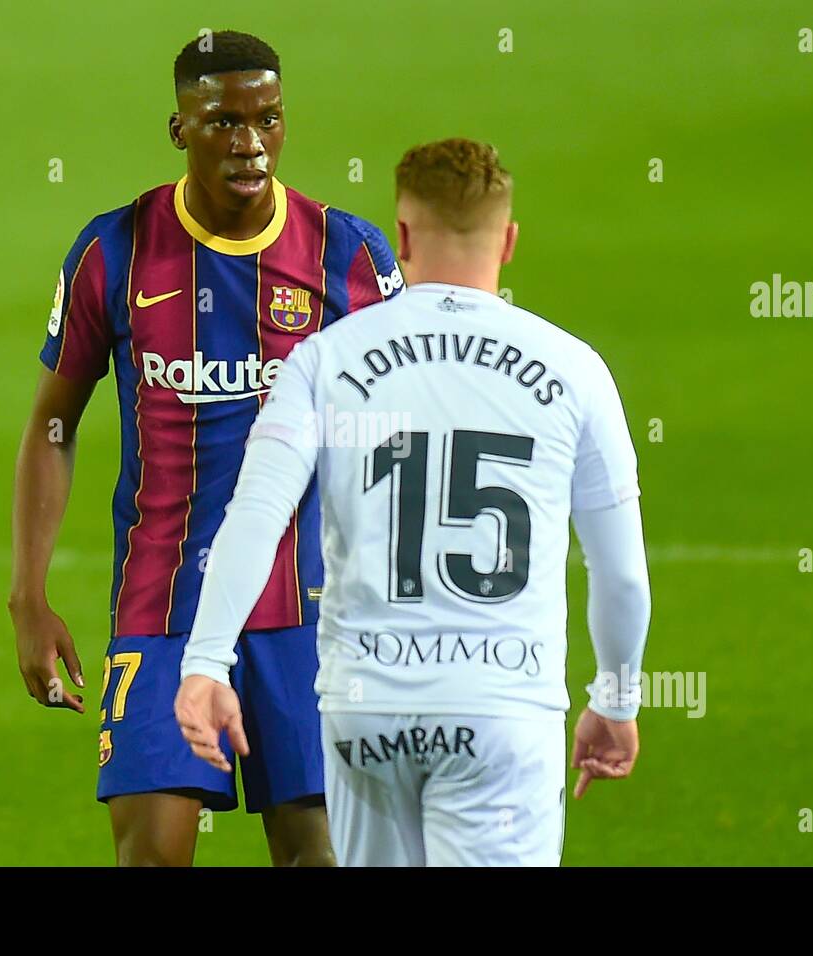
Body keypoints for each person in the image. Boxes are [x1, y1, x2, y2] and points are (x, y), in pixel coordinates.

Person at [175, 138, 651, 866]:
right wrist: (615, 701)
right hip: (500, 707)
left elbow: (256, 514)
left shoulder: (324, 358)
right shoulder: (574, 369)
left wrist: (205, 663)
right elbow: (620, 576)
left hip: (366, 711)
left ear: (401, 234)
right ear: (510, 241)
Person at [9, 30, 403, 867]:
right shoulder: (114, 251)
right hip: (161, 607)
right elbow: (54, 424)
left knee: (321, 858)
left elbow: (403, 432)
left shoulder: (351, 255)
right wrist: (28, 596)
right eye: (224, 122)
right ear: (179, 128)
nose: (250, 143)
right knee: (153, 856)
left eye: (268, 119)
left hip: (309, 611)